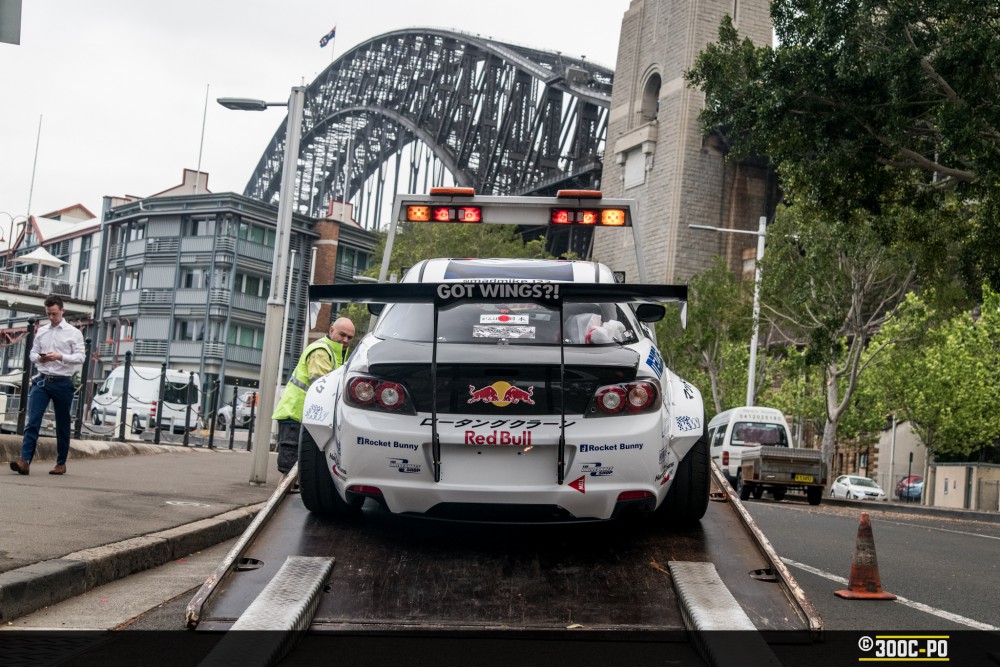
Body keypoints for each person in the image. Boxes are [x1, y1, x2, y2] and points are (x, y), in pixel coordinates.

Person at [10, 295, 86, 475]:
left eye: (54, 314)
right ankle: (24, 461)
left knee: (62, 424)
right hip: (42, 381)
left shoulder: (73, 333)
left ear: (62, 311)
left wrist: (60, 356)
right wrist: (40, 358)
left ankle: (61, 463)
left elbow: (80, 357)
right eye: (48, 314)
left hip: (63, 382)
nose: (51, 317)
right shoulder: (42, 331)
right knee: (33, 421)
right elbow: (32, 353)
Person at [272, 316, 355, 474]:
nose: (345, 340)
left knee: (297, 471)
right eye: (342, 335)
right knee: (290, 470)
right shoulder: (321, 351)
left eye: (349, 337)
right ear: (331, 330)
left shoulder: (336, 353)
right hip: (295, 415)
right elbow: (322, 385)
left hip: (304, 416)